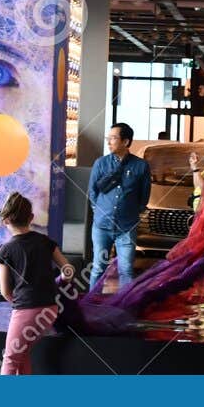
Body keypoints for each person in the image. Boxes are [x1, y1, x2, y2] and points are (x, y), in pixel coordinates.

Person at [0, 192, 74, 375]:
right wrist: (60, 281)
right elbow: (68, 269)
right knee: (22, 354)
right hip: (50, 309)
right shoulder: (45, 242)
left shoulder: (6, 250)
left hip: (26, 309)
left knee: (10, 358)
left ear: (6, 220)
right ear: (31, 217)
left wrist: (19, 304)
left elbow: (5, 291)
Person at [87, 123, 151, 288]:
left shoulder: (141, 166)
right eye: (108, 138)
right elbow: (92, 193)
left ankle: (125, 308)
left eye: (113, 138)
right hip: (102, 226)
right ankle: (91, 306)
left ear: (126, 141)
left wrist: (129, 213)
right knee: (98, 268)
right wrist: (100, 212)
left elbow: (143, 198)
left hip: (127, 227)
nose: (109, 142)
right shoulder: (101, 164)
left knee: (126, 270)